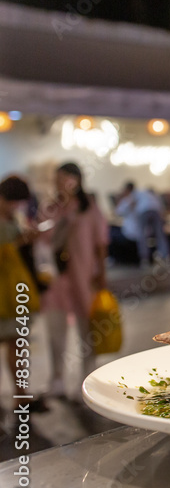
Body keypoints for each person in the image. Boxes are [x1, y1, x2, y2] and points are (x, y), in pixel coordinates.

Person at [39, 163, 109, 399]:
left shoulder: (88, 206)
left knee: (86, 331)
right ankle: (57, 378)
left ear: (76, 180)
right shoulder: (52, 207)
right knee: (55, 329)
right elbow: (41, 237)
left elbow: (100, 243)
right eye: (57, 180)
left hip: (83, 276)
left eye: (64, 179)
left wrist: (101, 274)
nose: (60, 184)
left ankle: (86, 380)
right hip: (57, 279)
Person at [0, 176, 38, 400]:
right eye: (13, 202)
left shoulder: (12, 217)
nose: (17, 207)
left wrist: (23, 240)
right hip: (6, 287)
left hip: (14, 286)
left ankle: (21, 392)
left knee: (17, 341)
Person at [115, 181, 170, 266]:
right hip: (156, 210)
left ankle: (145, 259)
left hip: (144, 211)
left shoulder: (133, 194)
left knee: (142, 235)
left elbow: (122, 210)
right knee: (160, 234)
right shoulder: (146, 193)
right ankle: (165, 256)